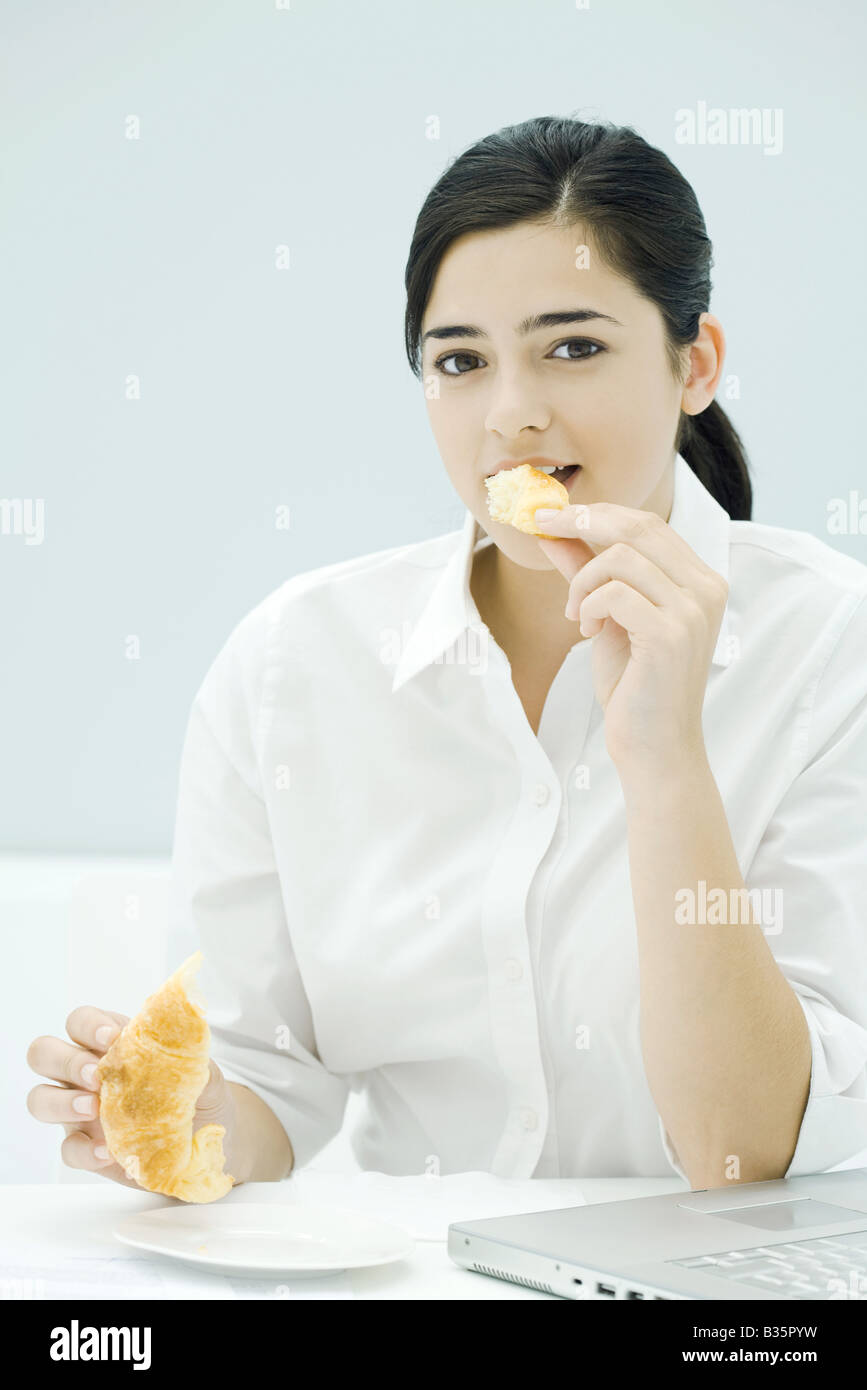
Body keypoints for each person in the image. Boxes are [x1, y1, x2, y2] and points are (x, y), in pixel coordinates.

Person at [27, 115, 867, 1195]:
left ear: (694, 362)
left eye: (574, 346)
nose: (512, 415)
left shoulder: (833, 650)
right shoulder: (297, 664)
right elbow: (270, 1092)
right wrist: (179, 1119)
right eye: (460, 361)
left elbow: (742, 1145)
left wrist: (664, 761)